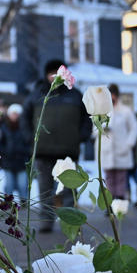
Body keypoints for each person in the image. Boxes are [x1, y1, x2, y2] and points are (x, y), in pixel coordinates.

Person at [22, 59, 92, 232]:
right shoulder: (37, 94)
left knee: (69, 191)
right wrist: (30, 138)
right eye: (51, 73)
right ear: (46, 75)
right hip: (43, 152)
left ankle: (70, 223)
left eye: (57, 73)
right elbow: (25, 118)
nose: (54, 77)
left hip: (68, 151)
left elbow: (87, 119)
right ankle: (46, 222)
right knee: (45, 190)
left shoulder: (75, 95)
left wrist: (80, 137)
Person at [96, 84, 137, 200]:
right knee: (108, 178)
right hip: (107, 150)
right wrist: (102, 129)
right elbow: (94, 130)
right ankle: (109, 203)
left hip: (121, 149)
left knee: (121, 177)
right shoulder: (101, 111)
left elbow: (134, 128)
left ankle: (120, 202)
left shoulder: (125, 111)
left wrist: (129, 144)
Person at [0, 104, 30, 201]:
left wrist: (25, 152)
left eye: (17, 114)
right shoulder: (4, 127)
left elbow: (28, 142)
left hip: (22, 161)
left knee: (23, 184)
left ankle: (24, 202)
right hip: (8, 161)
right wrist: (5, 152)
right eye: (13, 113)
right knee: (9, 185)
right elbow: (0, 143)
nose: (15, 116)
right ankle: (8, 202)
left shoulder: (25, 127)